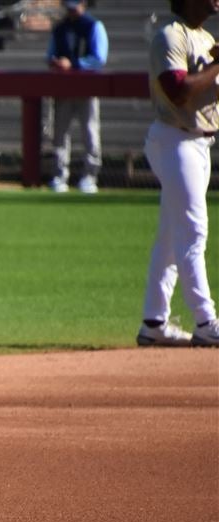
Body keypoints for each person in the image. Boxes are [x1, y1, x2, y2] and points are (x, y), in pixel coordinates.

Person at [136, 0, 219, 348]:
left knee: (172, 235)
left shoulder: (203, 37)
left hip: (198, 143)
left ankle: (154, 323)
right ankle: (206, 321)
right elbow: (179, 90)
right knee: (193, 231)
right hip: (174, 139)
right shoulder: (170, 36)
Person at [46, 0, 109, 194]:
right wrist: (55, 62)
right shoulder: (60, 28)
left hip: (87, 88)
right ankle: (59, 176)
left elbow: (99, 59)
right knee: (60, 134)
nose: (72, 11)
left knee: (90, 132)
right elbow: (50, 55)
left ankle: (90, 177)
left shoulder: (93, 26)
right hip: (63, 88)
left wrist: (72, 64)